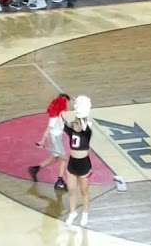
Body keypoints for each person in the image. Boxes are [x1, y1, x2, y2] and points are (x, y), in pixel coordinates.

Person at [63, 95, 95, 227]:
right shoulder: (71, 131)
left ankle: (85, 213)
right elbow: (63, 122)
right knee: (71, 189)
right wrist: (58, 111)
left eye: (78, 122)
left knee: (84, 191)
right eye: (75, 121)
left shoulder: (87, 133)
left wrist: (81, 110)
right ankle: (72, 212)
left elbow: (85, 124)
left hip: (84, 164)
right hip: (72, 163)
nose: (75, 123)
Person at [29, 93, 71, 191]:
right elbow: (48, 128)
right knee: (64, 158)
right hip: (55, 138)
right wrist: (42, 141)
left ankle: (35, 169)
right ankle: (59, 182)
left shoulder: (59, 114)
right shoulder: (55, 117)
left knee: (55, 157)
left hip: (56, 137)